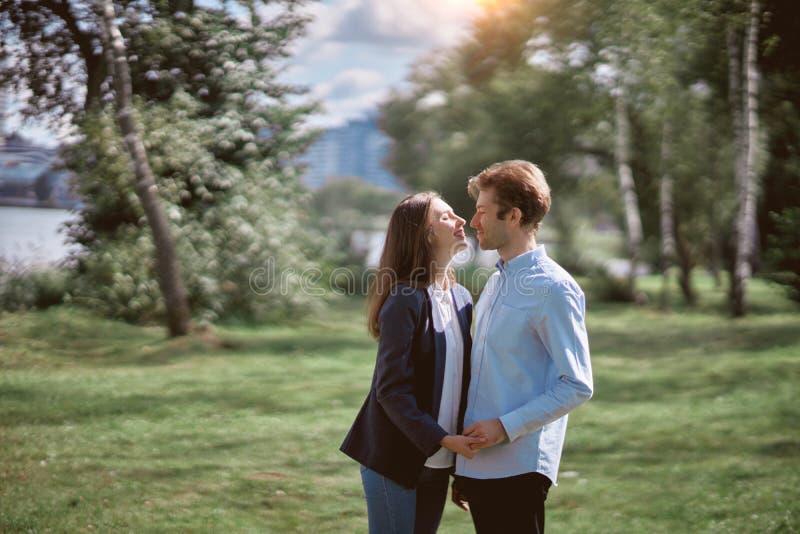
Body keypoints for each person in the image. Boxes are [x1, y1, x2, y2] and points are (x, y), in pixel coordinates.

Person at [452, 160, 594, 534]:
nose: (473, 221)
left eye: (482, 211)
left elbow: (576, 384)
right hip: (482, 464)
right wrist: (465, 470)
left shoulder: (553, 288)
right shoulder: (496, 282)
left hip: (518, 468)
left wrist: (504, 427)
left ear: (512, 216)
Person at [341, 191, 485, 534]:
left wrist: (457, 466)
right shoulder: (405, 299)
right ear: (425, 233)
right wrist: (442, 439)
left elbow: (461, 384)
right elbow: (390, 390)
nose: (461, 220)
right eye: (446, 216)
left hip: (439, 462)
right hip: (394, 459)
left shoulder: (462, 298)